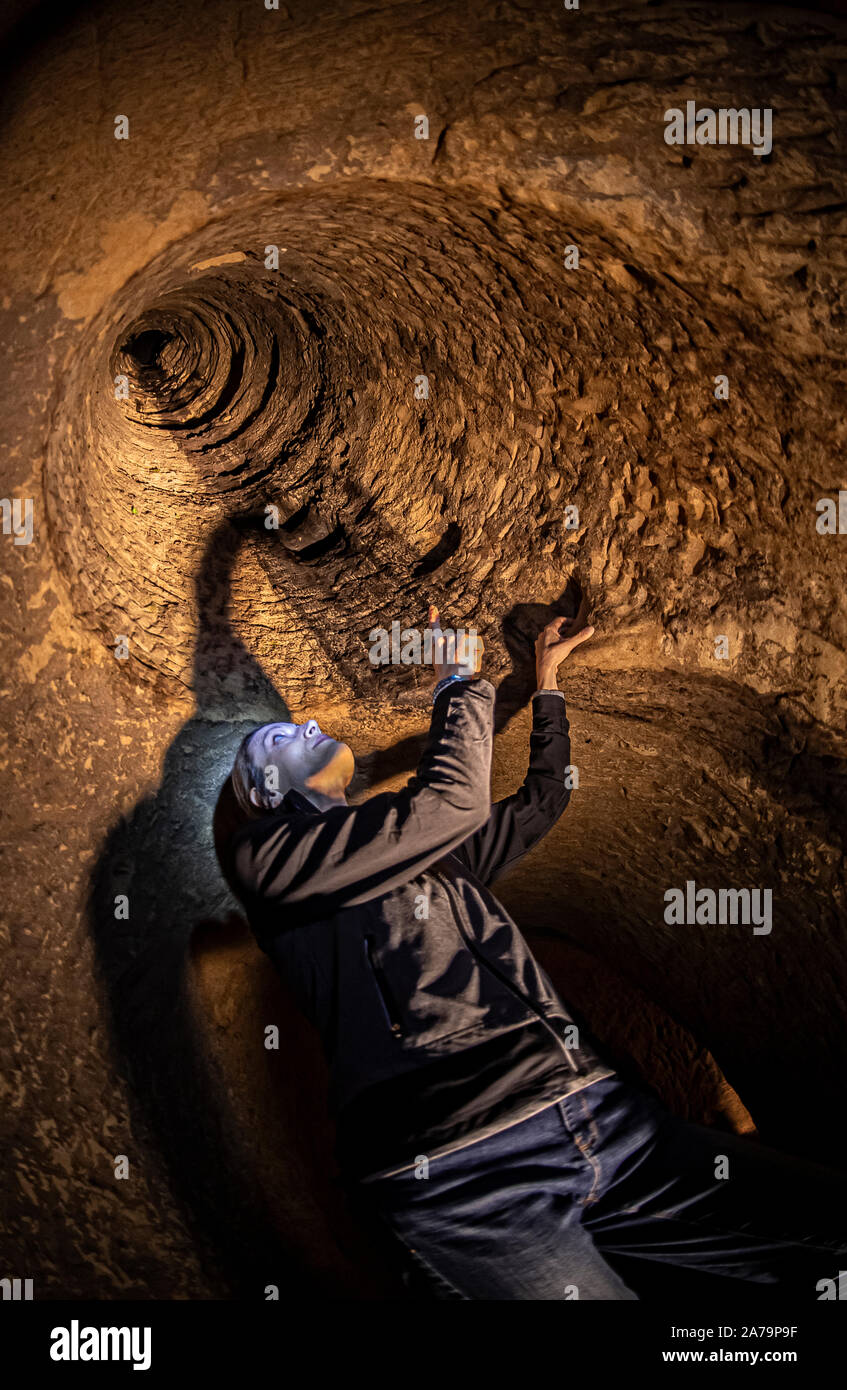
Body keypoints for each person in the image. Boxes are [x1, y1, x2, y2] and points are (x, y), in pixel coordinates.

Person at [215, 608, 847, 1300]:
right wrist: (455, 682)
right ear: (262, 792)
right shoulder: (266, 861)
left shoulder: (430, 856)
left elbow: (541, 801)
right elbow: (452, 801)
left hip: (600, 1120)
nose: (304, 724)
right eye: (276, 738)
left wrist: (546, 683)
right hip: (461, 1167)